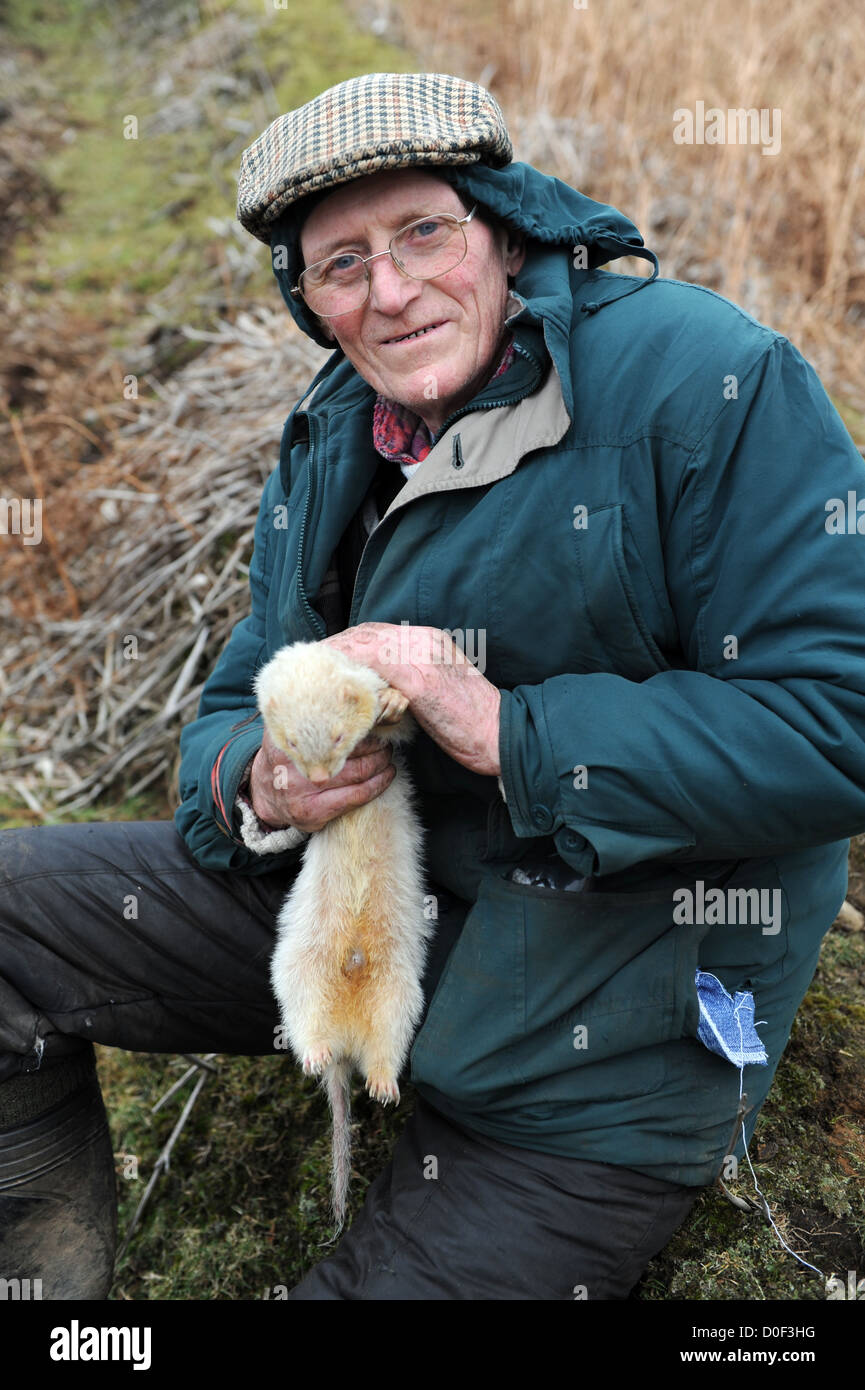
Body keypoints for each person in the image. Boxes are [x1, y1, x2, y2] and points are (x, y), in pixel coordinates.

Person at [2, 71, 865, 1302]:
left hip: (607, 1023)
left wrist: (511, 731)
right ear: (306, 299)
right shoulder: (338, 426)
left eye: (423, 232)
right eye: (341, 264)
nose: (391, 291)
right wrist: (258, 782)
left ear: (505, 229)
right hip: (372, 916)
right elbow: (237, 693)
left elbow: (836, 722)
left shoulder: (709, 382)